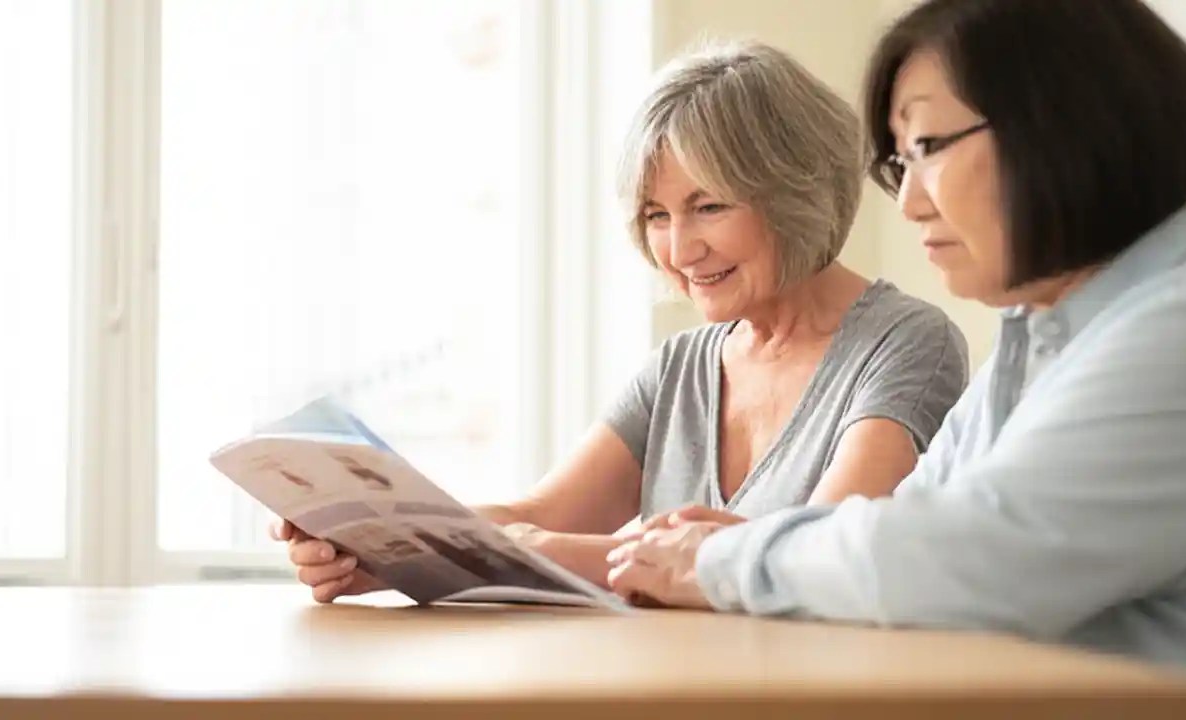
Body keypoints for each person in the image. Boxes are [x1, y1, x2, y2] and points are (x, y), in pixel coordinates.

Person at [607, 0, 1186, 684]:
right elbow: (904, 524)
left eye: (927, 148)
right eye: (901, 162)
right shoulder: (1045, 328)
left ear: (1064, 124)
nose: (909, 202)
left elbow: (970, 556)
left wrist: (715, 560)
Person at [277, 41, 967, 602]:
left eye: (709, 207)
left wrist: (544, 552)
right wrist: (381, 551)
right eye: (655, 216)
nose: (679, 248)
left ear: (794, 193)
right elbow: (538, 518)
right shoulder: (680, 367)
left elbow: (818, 553)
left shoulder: (906, 343)